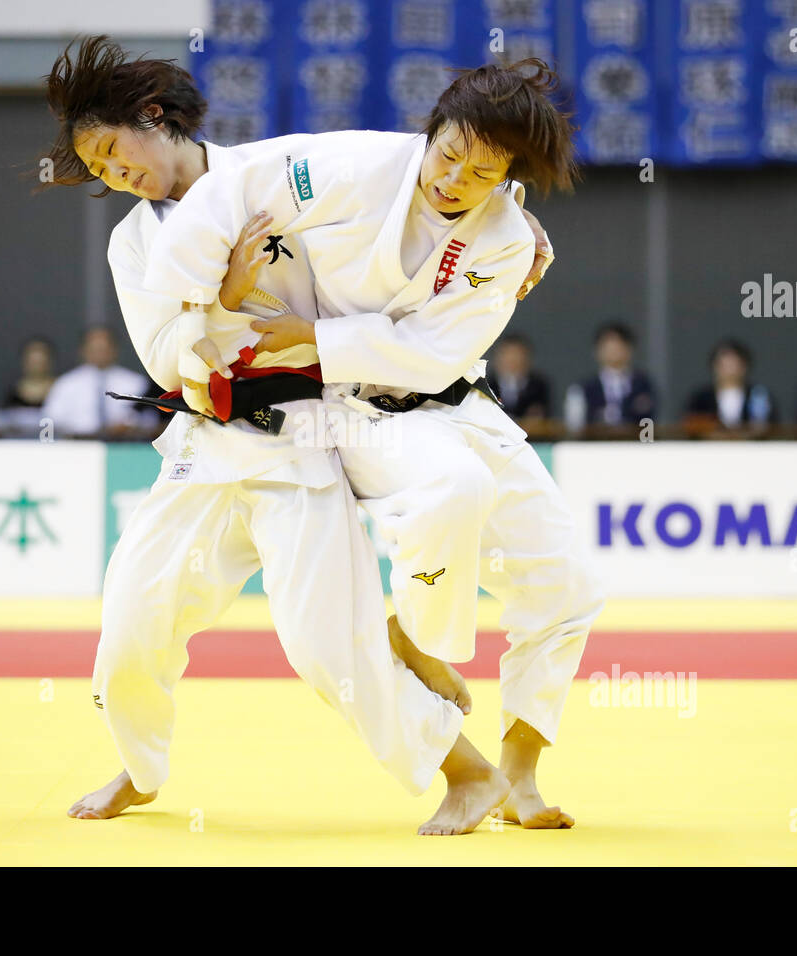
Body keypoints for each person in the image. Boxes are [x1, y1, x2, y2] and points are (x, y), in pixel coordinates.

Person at [45, 36, 529, 835]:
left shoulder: (280, 181)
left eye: (108, 150)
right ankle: (138, 767)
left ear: (151, 116)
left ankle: (467, 770)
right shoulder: (133, 243)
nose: (110, 173)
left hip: (300, 436)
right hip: (204, 446)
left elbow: (417, 187)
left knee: (325, 647)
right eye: (95, 171)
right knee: (132, 618)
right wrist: (221, 292)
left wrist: (520, 231)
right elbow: (170, 362)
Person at [144, 59, 605, 829]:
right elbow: (233, 186)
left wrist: (318, 337)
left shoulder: (507, 241)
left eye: (481, 172)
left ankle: (518, 776)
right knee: (452, 491)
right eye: (448, 154)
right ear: (430, 133)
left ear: (507, 177)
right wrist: (188, 306)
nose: (453, 179)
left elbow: (432, 355)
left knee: (567, 589)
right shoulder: (356, 164)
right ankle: (420, 640)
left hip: (457, 399)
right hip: (360, 411)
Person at [39, 325, 159, 435]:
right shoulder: (66, 384)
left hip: (125, 446)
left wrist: (131, 425)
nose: (100, 353)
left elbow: (151, 419)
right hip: (76, 447)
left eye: (104, 348)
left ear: (115, 350)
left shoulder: (136, 383)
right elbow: (49, 420)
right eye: (95, 348)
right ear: (83, 350)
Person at [568, 320, 657, 427]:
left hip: (635, 441)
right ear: (597, 351)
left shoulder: (643, 385)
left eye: (619, 345)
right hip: (595, 442)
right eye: (608, 346)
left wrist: (644, 442)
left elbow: (649, 423)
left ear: (629, 349)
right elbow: (575, 427)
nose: (613, 351)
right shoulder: (585, 387)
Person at [684, 339, 775, 429]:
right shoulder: (701, 398)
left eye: (734, 364)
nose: (729, 369)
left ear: (744, 366)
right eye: (724, 364)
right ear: (714, 366)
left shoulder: (758, 395)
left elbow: (770, 425)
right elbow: (691, 425)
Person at [486, 333, 551, 422]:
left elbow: (542, 417)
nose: (512, 362)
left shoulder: (538, 386)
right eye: (507, 355)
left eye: (517, 356)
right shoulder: (486, 385)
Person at [4, 336, 56, 408]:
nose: (36, 366)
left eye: (40, 362)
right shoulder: (13, 393)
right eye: (33, 362)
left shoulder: (61, 390)